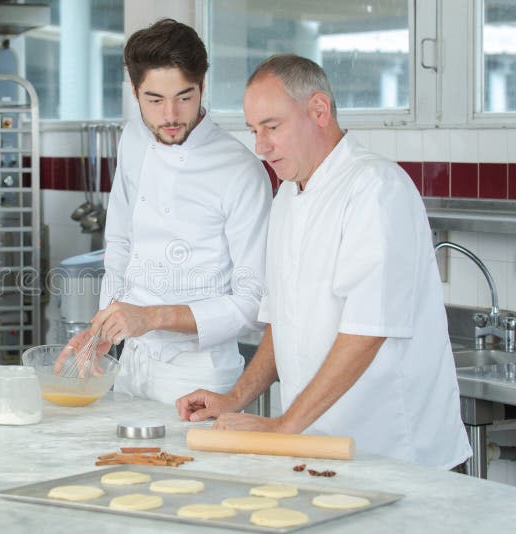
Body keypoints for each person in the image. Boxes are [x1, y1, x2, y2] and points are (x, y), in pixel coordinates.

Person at [176, 54, 471, 469]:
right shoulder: (286, 197)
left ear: (318, 110)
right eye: (254, 130)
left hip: (398, 454)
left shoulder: (375, 188)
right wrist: (235, 398)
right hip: (317, 449)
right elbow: (284, 322)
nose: (260, 147)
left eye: (272, 127)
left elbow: (367, 332)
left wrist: (283, 427)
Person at [59, 19, 271, 404]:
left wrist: (152, 317)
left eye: (185, 97)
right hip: (132, 365)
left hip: (199, 375)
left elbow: (254, 304)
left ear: (203, 86)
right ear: (134, 91)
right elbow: (121, 244)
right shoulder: (134, 139)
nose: (171, 115)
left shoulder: (241, 170)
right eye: (154, 100)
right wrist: (102, 330)